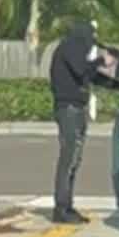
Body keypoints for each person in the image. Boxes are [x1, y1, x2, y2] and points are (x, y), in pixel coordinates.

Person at [47, 19, 100, 223]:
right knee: (69, 158)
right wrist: (99, 62)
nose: (92, 42)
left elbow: (87, 74)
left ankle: (67, 205)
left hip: (76, 109)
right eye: (91, 37)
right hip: (68, 110)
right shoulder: (70, 47)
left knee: (74, 159)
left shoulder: (75, 50)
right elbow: (81, 70)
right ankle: (61, 208)